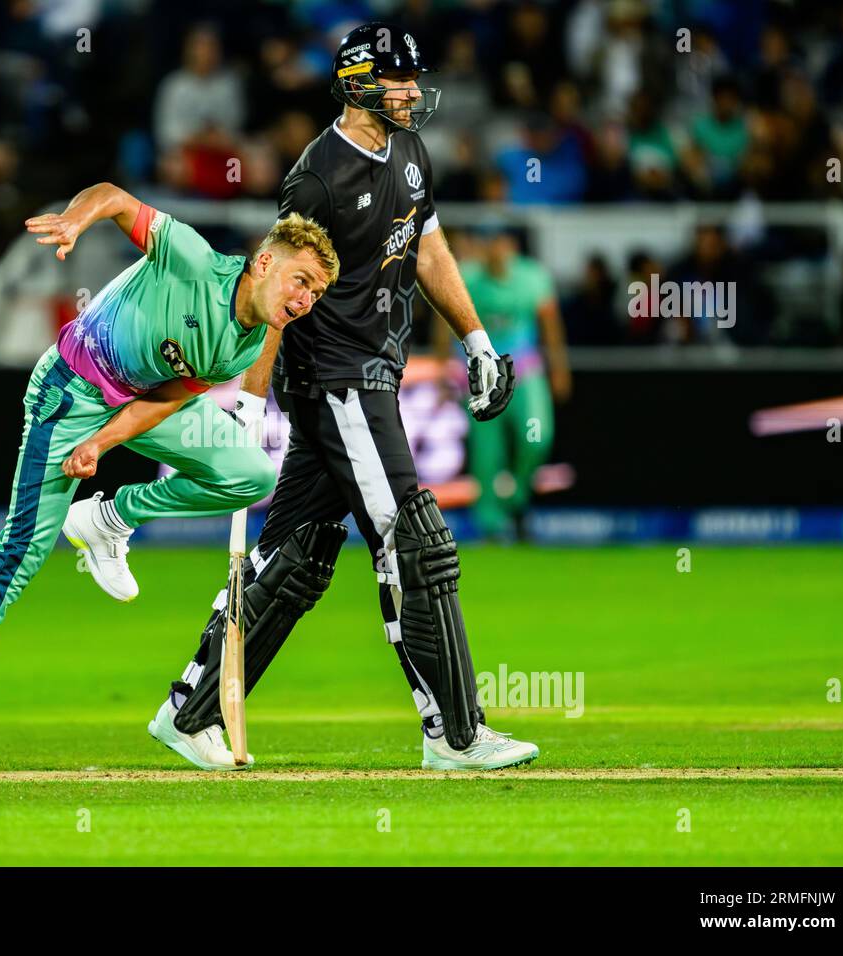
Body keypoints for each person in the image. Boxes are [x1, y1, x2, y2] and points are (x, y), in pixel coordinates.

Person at [139, 22, 539, 772]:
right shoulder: (318, 177)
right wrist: (253, 395)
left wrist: (475, 338)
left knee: (296, 557)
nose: (414, 92)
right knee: (414, 538)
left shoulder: (411, 153)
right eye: (400, 79)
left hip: (374, 371)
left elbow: (427, 247)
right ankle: (454, 735)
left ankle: (187, 711)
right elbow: (277, 287)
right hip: (337, 378)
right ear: (359, 81)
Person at [0, 181, 339, 778]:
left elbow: (168, 397)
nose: (307, 298)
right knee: (22, 548)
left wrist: (103, 446)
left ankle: (110, 518)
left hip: (135, 406)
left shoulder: (243, 347)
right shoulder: (190, 257)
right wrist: (76, 221)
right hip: (70, 392)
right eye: (302, 280)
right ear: (264, 262)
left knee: (248, 472)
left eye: (317, 291)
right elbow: (111, 195)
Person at [458, 223, 569, 539]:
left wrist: (559, 368)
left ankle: (516, 497)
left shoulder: (533, 277)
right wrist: (444, 367)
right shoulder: (468, 277)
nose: (495, 250)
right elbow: (444, 322)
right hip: (483, 378)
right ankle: (491, 523)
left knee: (537, 439)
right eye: (489, 242)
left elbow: (551, 325)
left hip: (526, 373)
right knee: (486, 456)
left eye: (501, 242)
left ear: (512, 248)